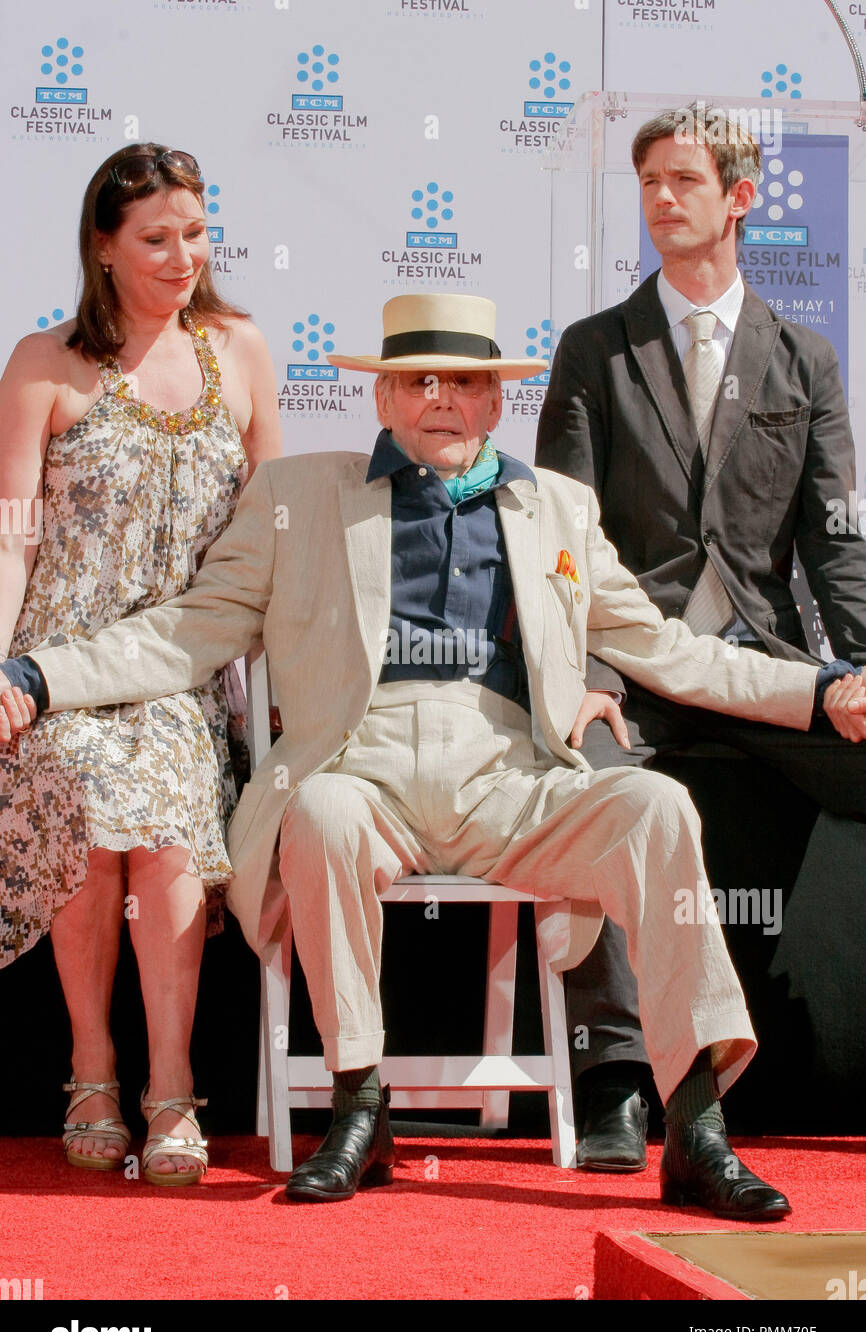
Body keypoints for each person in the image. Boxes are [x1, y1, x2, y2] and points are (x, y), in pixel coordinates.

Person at [1, 293, 864, 1219]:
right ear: (383, 401)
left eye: (464, 383)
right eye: (418, 382)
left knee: (658, 808)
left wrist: (818, 689)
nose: (441, 399)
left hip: (510, 774)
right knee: (321, 812)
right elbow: (184, 630)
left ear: (496, 404)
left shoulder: (559, 510)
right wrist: (38, 676)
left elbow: (670, 649)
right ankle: (361, 1109)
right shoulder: (299, 497)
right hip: (358, 762)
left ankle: (695, 1131)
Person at [535, 104, 866, 1174]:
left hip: (762, 670)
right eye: (647, 182)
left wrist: (856, 671)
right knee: (582, 782)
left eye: (682, 179)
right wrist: (581, 675)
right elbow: (561, 536)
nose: (660, 199)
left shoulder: (804, 359)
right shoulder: (592, 350)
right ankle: (619, 1082)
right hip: (631, 674)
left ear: (739, 196)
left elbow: (832, 541)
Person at [0, 143, 281, 1185]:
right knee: (76, 775)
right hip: (60, 661)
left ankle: (171, 1083)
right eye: (155, 239)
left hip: (179, 665)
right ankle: (90, 1064)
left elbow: (272, 530)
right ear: (103, 249)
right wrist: (1, 668)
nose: (182, 257)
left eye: (196, 234)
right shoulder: (44, 362)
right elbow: (12, 536)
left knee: (162, 800)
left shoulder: (241, 351)